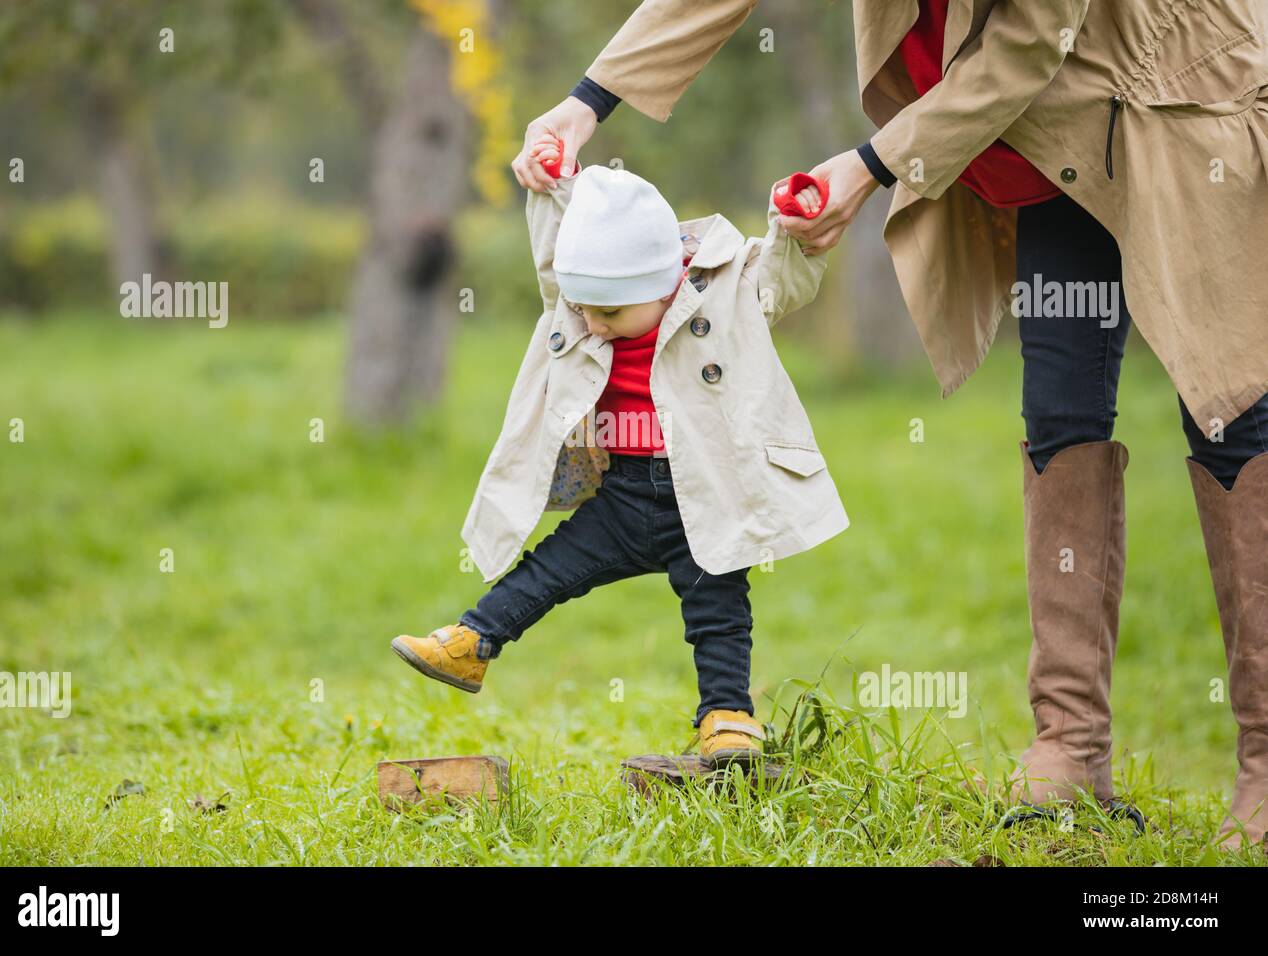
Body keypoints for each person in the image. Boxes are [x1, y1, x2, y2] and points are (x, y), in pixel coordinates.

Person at [511, 0, 1268, 848]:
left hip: (1181, 108)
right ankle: (1070, 745)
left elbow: (1028, 40)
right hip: (1044, 139)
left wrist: (869, 167)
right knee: (1061, 414)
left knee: (1230, 410)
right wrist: (586, 101)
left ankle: (1267, 767)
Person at [392, 139, 846, 764]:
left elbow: (783, 279)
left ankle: (727, 717)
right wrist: (556, 186)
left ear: (665, 287)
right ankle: (472, 644)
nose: (594, 325)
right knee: (548, 570)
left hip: (707, 493)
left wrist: (791, 228)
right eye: (584, 310)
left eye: (609, 312)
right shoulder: (578, 306)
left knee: (717, 610)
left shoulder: (726, 292)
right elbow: (557, 259)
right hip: (624, 493)